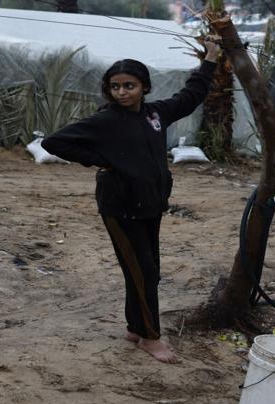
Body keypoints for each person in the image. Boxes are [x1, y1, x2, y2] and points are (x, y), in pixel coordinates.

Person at [41, 41, 222, 364]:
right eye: (115, 87)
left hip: (151, 204)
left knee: (143, 270)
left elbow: (191, 95)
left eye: (129, 86)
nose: (122, 92)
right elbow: (54, 142)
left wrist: (210, 59)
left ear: (144, 87)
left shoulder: (156, 114)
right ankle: (151, 339)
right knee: (144, 271)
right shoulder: (105, 120)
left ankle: (135, 328)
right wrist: (101, 160)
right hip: (121, 207)